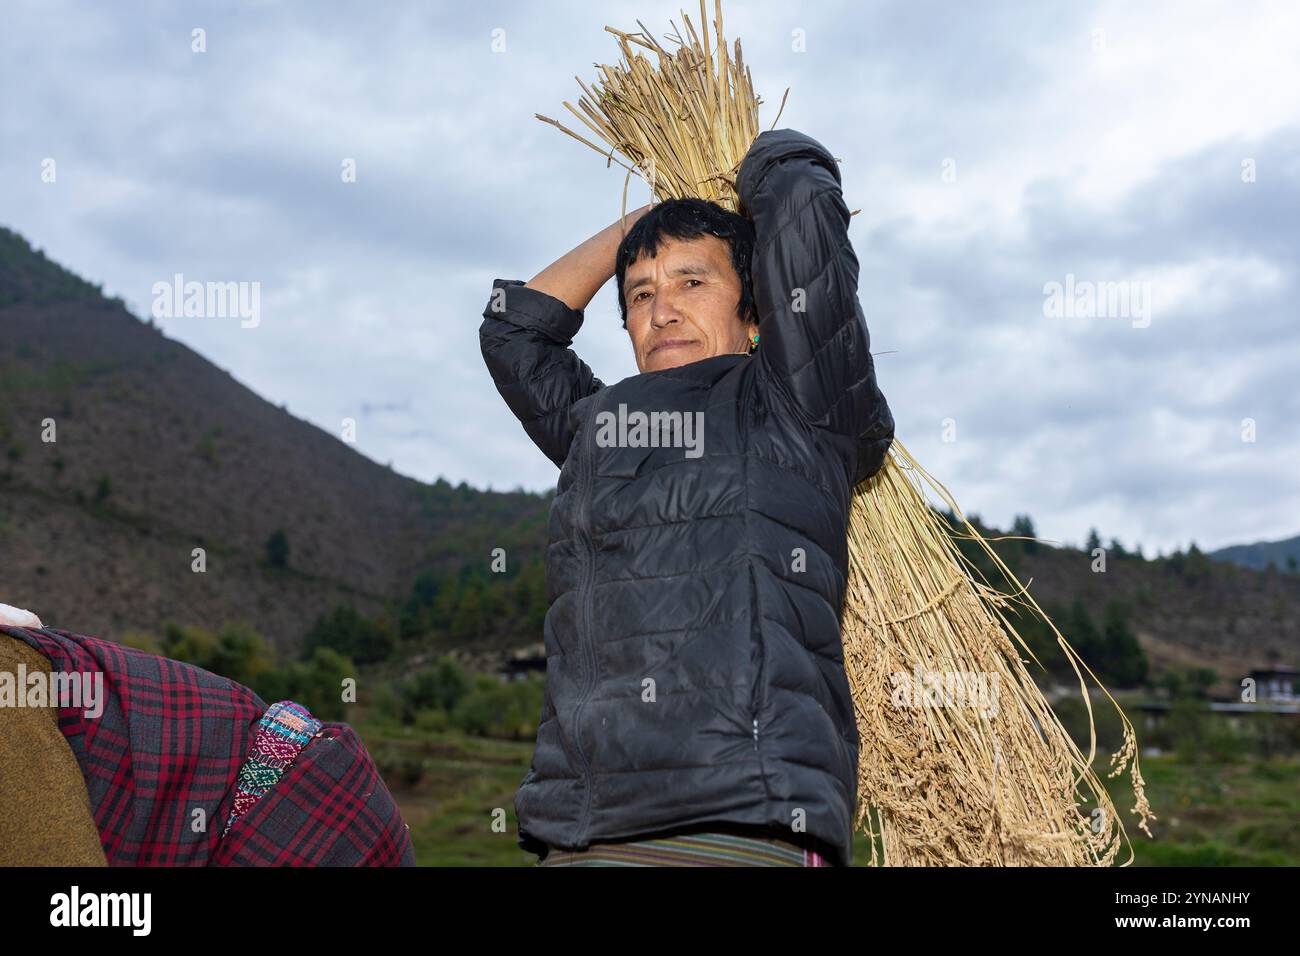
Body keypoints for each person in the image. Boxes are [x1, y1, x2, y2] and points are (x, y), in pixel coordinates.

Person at [479, 128, 895, 866]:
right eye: (641, 294)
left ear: (757, 313)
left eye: (692, 283)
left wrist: (758, 161)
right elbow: (515, 333)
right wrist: (640, 224)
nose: (661, 310)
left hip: (737, 819)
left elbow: (800, 209)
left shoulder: (794, 408)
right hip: (578, 828)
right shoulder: (599, 428)